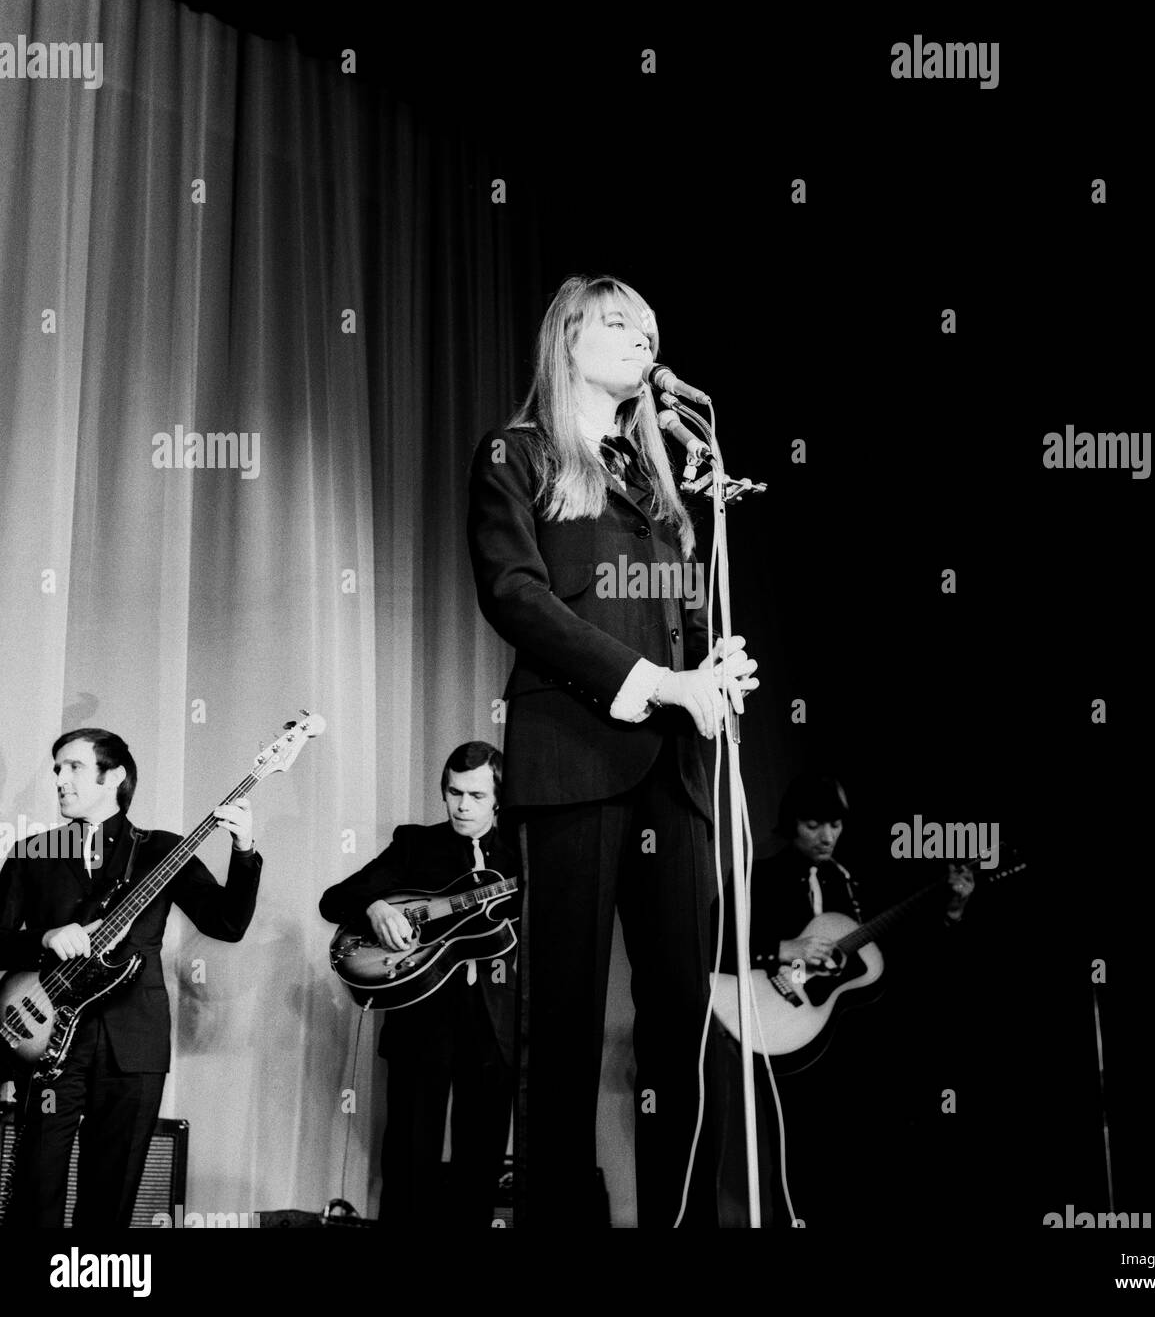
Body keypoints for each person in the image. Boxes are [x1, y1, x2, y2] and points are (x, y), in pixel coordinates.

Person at [466, 273, 759, 1228]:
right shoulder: (518, 455)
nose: (644, 340)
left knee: (682, 1019)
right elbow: (517, 595)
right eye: (621, 324)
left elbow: (670, 622)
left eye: (652, 330)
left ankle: (685, 1217)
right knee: (566, 1024)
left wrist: (710, 668)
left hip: (674, 773)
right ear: (568, 338)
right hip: (572, 758)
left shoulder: (658, 480)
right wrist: (654, 684)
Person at [0, 728, 262, 1227]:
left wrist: (244, 850)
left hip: (133, 1046)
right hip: (49, 1042)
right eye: (57, 769)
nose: (59, 779)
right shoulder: (33, 852)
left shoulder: (161, 849)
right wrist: (45, 937)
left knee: (110, 1198)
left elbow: (226, 924)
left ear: (114, 776)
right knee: (36, 1191)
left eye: (72, 767)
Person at [716, 773, 976, 1227]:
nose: (827, 836)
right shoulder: (760, 877)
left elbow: (899, 952)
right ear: (791, 824)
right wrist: (780, 950)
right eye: (814, 824)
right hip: (788, 1042)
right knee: (801, 1165)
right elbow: (710, 945)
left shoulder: (853, 882)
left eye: (835, 824)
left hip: (854, 1049)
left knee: (868, 1165)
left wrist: (950, 912)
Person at [318, 741, 516, 1228]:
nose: (462, 806)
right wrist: (375, 907)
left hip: (496, 1025)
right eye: (453, 793)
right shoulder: (416, 844)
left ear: (498, 799)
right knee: (408, 1159)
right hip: (422, 1021)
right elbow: (333, 899)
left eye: (475, 795)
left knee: (480, 1165)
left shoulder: (522, 851)